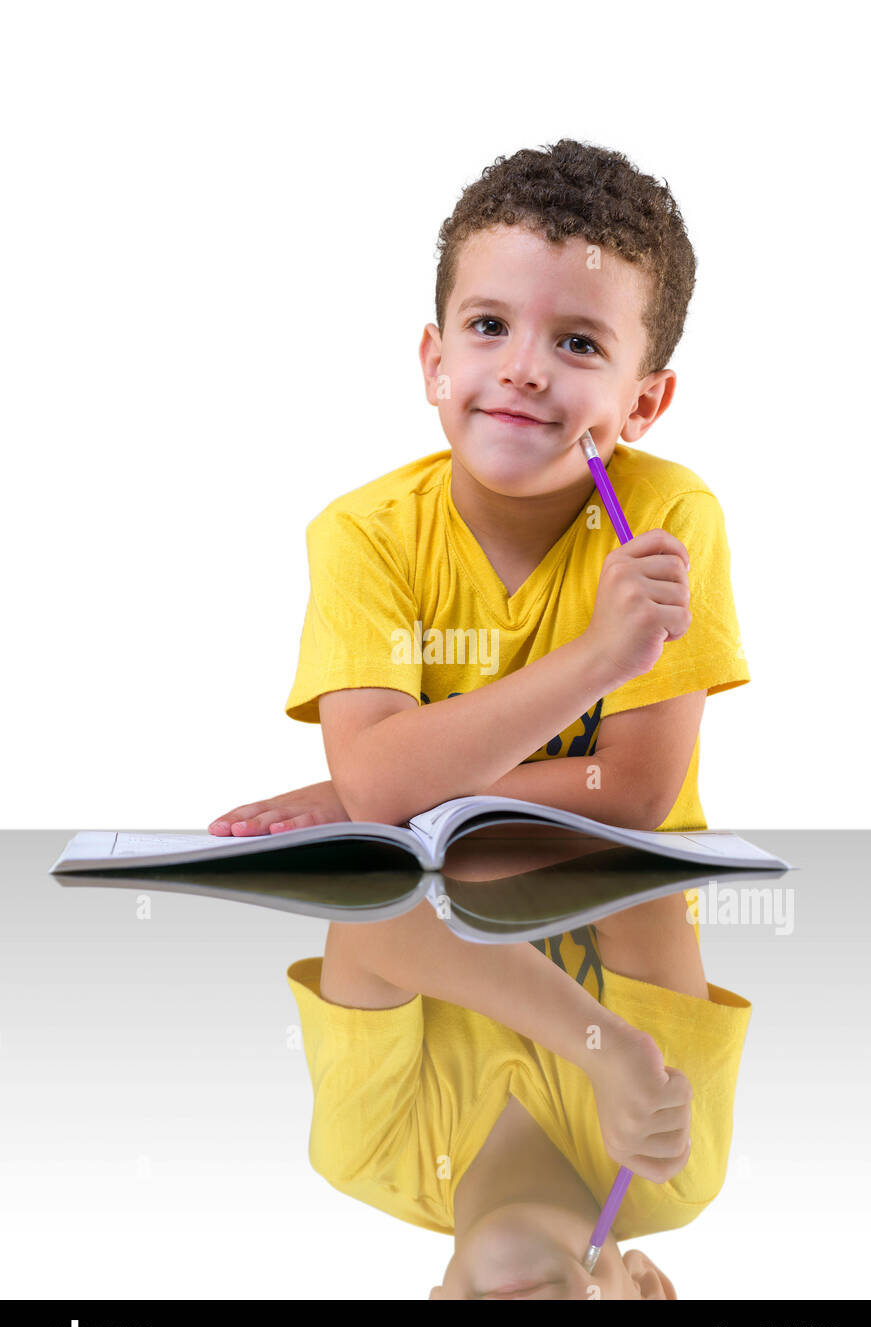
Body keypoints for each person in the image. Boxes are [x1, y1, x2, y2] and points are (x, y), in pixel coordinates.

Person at [207, 138, 749, 840]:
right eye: (489, 326)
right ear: (436, 363)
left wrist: (392, 791)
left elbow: (635, 791)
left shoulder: (667, 521)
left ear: (642, 405)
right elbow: (376, 781)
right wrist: (600, 658)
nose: (523, 370)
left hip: (625, 923)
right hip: (424, 925)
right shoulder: (365, 532)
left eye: (579, 343)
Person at [285, 881, 751, 1300]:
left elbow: (379, 913)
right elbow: (633, 881)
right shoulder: (670, 1165)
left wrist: (603, 1047)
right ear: (647, 1290)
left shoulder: (367, 1154)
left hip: (408, 795)